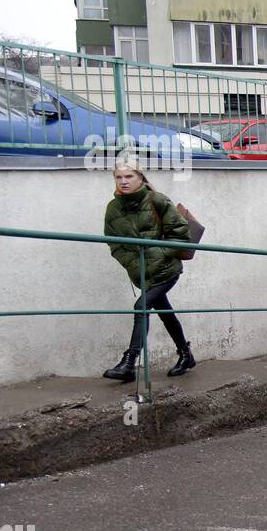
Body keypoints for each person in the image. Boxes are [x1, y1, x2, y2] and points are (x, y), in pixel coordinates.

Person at [102, 155, 195, 382]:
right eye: (119, 177)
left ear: (140, 177)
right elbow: (114, 244)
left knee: (141, 306)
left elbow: (182, 235)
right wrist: (134, 265)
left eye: (129, 176)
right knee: (164, 312)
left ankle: (129, 363)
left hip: (167, 270)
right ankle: (186, 354)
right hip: (142, 274)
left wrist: (157, 255)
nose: (123, 181)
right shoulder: (113, 208)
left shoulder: (157, 200)